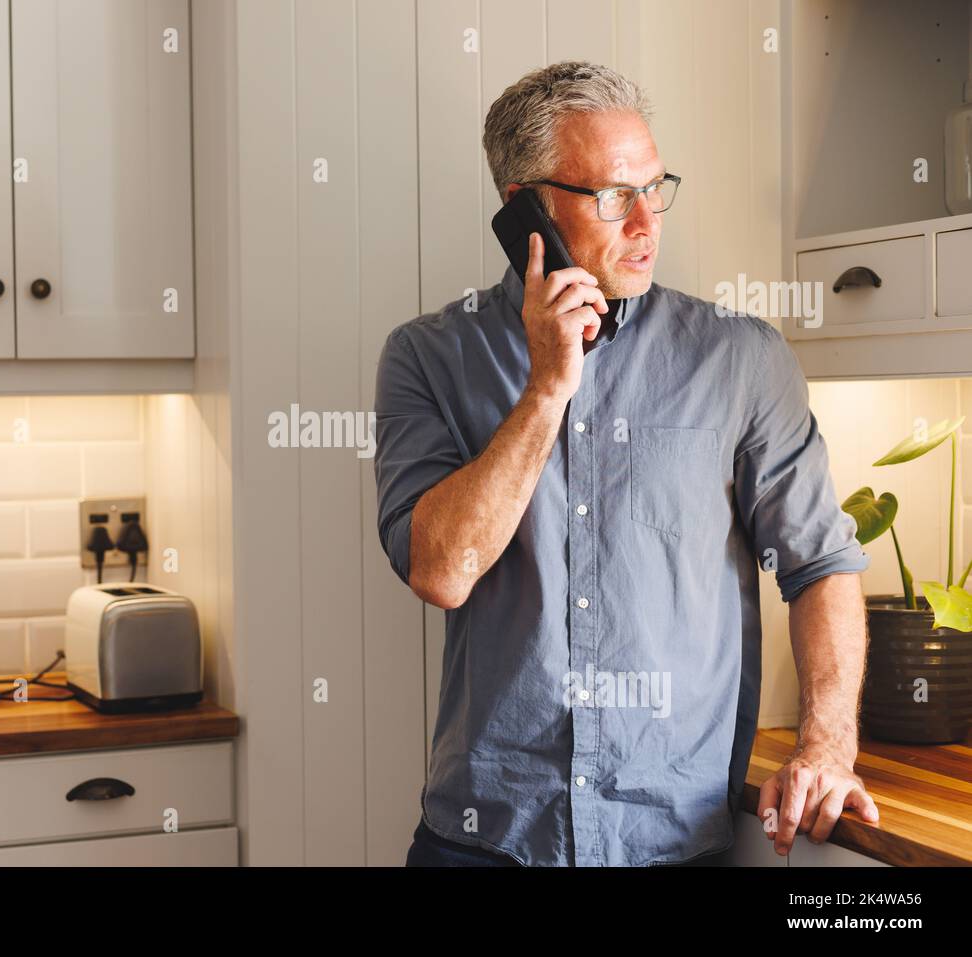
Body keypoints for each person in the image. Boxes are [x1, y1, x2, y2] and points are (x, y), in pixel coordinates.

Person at [374, 61, 880, 867]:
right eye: (615, 196)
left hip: (672, 841)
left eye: (657, 186)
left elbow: (820, 564)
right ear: (526, 211)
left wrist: (826, 743)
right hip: (484, 838)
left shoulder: (740, 359)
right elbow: (441, 570)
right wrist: (546, 391)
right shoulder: (428, 356)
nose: (648, 220)